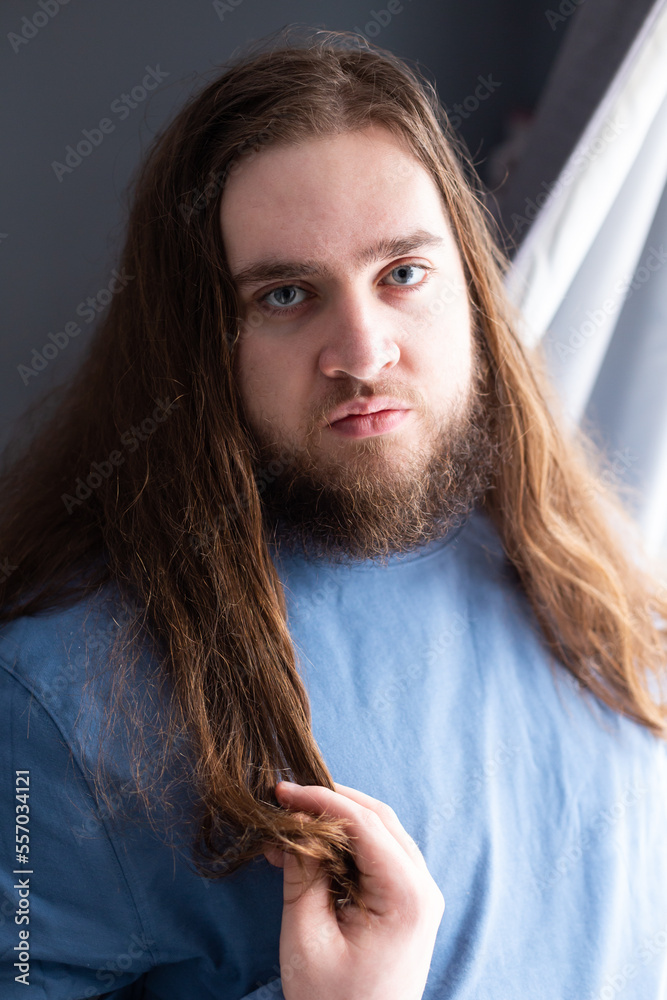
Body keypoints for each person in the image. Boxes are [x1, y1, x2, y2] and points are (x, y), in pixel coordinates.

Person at [1, 25, 667, 1000]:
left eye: (402, 274)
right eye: (284, 295)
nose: (361, 348)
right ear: (200, 342)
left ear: (471, 288)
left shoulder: (590, 576)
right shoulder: (58, 696)